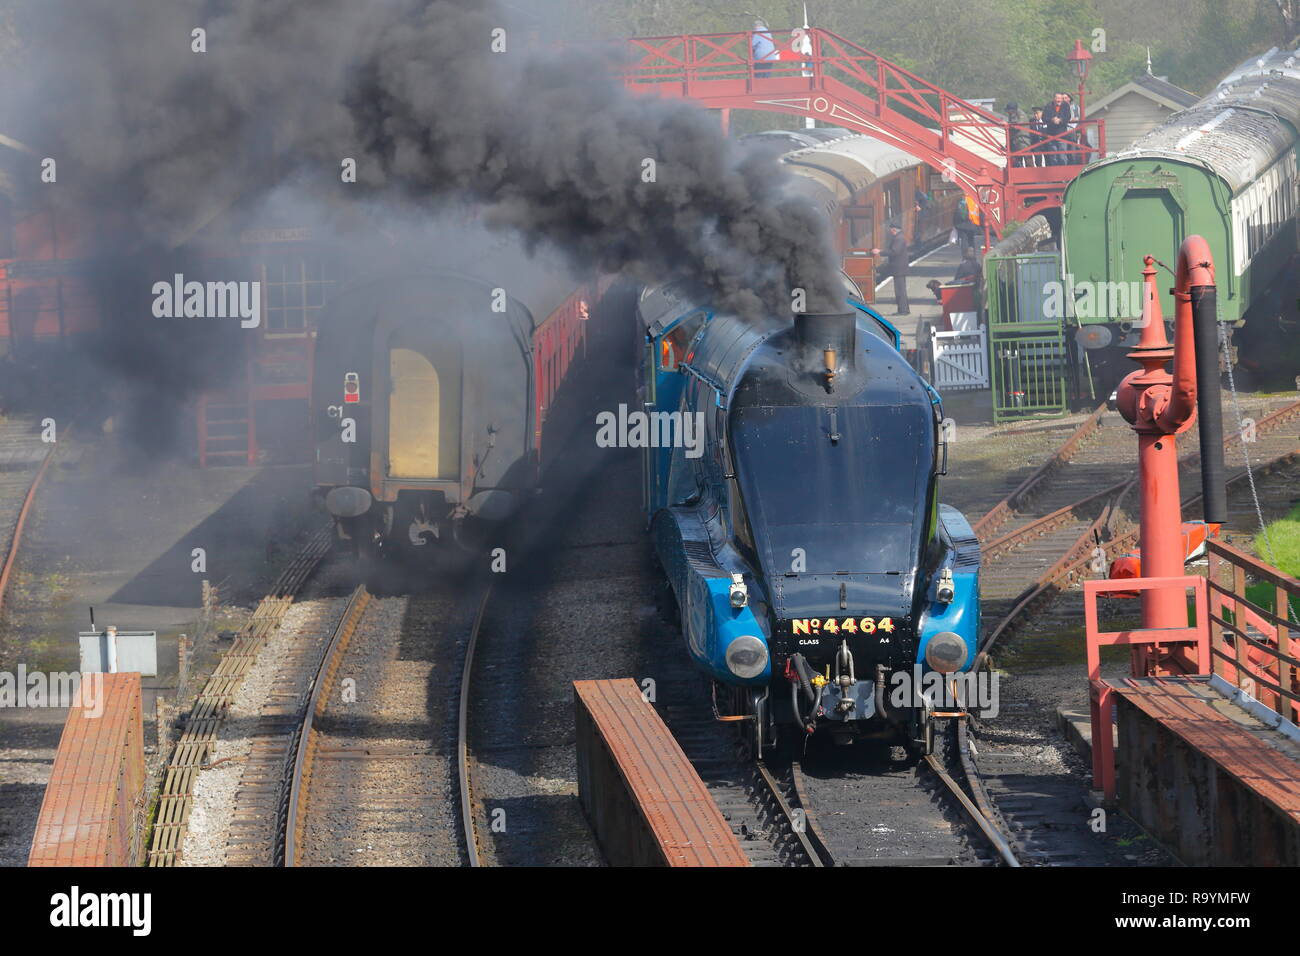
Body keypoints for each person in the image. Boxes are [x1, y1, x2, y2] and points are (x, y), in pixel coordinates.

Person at [871, 222, 911, 316]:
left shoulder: (899, 239)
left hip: (899, 269)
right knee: (901, 290)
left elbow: (894, 252)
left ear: (894, 230)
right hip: (899, 268)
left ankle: (903, 311)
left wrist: (879, 251)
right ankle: (904, 309)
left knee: (900, 290)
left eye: (891, 230)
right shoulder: (899, 237)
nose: (890, 232)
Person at [1042, 93, 1072, 166]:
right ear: (1054, 99)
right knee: (1053, 156)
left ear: (1062, 99)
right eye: (1057, 98)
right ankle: (1054, 173)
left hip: (1062, 134)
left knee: (1062, 155)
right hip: (1051, 134)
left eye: (1060, 98)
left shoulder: (1066, 106)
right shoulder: (1048, 106)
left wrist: (1060, 120)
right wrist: (1052, 119)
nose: (1058, 100)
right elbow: (1044, 118)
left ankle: (1064, 172)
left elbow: (1068, 117)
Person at [1007, 102, 1032, 168]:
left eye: (1009, 110)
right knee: (1017, 160)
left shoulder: (1021, 114)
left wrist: (1009, 124)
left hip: (1023, 139)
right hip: (1016, 140)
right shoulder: (1012, 115)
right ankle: (1020, 173)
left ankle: (1031, 173)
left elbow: (1018, 124)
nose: (1008, 112)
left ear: (1013, 109)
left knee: (1028, 158)